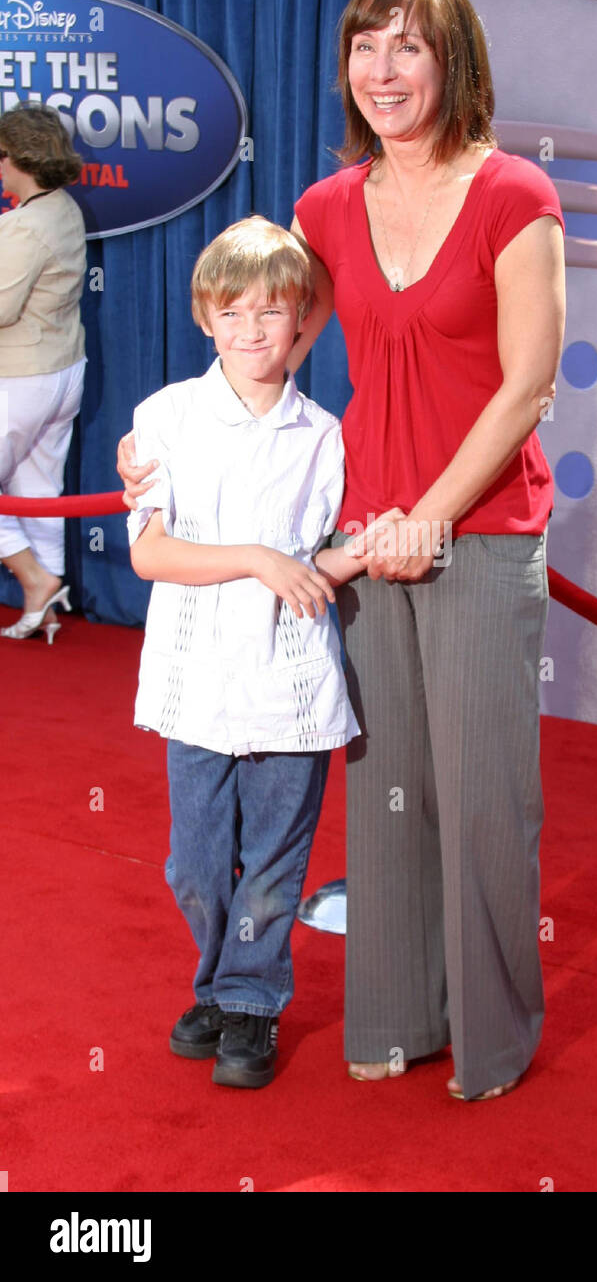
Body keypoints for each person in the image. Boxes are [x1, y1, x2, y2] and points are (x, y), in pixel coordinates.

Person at [121, 0, 566, 1101]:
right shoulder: (324, 209)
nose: (382, 69)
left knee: (478, 801)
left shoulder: (516, 195)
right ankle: (397, 1016)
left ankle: (493, 1036)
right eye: (365, 47)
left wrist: (431, 514)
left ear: (450, 58)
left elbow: (527, 386)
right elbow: (257, 343)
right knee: (387, 795)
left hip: (477, 531)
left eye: (406, 45)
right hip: (365, 539)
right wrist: (156, 445)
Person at [127, 216, 398, 1089]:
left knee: (278, 863)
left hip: (291, 683)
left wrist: (374, 543)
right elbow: (150, 553)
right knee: (197, 863)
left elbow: (318, 559)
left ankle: (247, 1002)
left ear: (302, 323)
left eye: (273, 314)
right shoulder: (164, 417)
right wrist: (255, 558)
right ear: (205, 316)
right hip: (195, 681)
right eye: (233, 312)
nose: (252, 331)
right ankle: (216, 979)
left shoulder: (325, 434)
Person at [0, 102, 86, 643]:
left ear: (20, 159)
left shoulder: (23, 225)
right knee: (38, 488)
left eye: (2, 157)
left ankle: (35, 579)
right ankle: (47, 606)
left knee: (36, 489)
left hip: (21, 377)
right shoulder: (64, 208)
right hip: (63, 373)